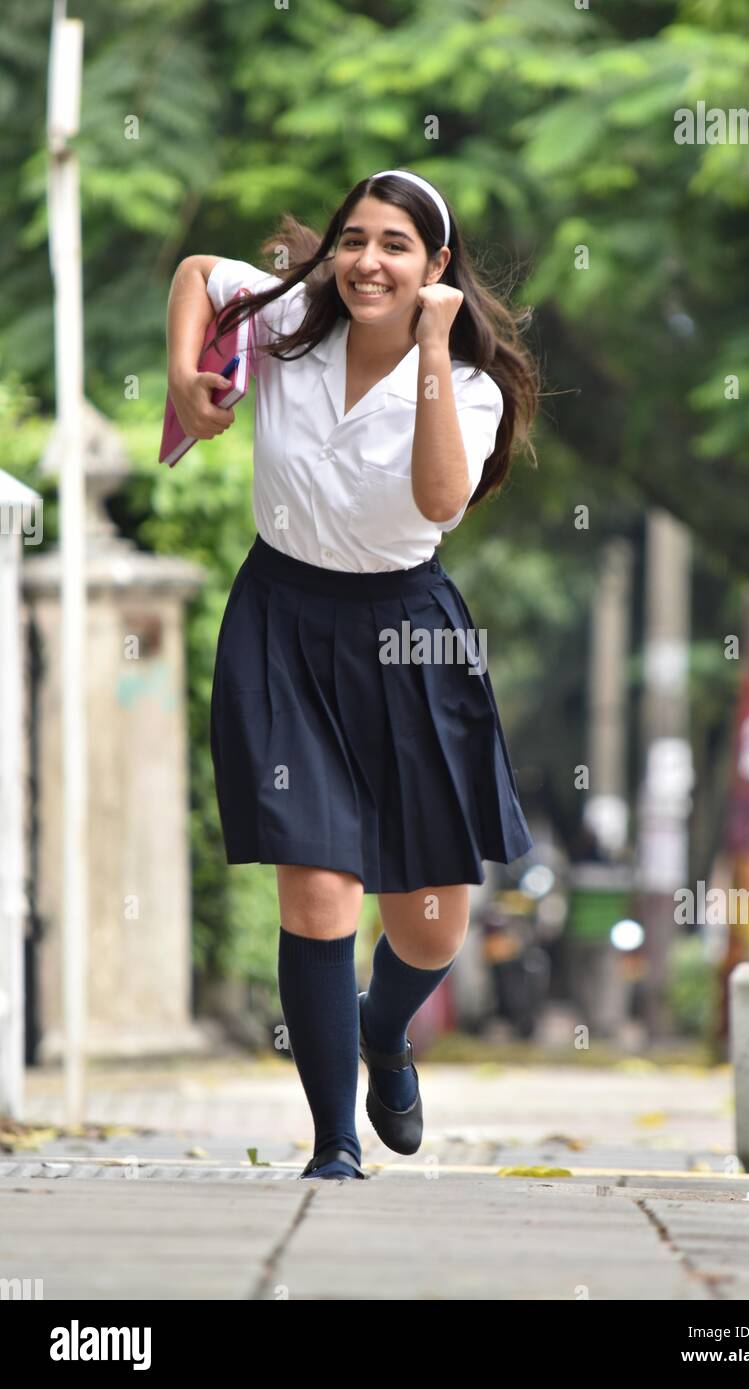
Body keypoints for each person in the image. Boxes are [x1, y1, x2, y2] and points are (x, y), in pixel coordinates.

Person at [165, 168, 539, 1180]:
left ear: (436, 267)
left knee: (429, 923)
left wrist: (424, 345)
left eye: (396, 246)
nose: (369, 262)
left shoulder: (470, 385)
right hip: (282, 617)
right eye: (354, 240)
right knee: (318, 885)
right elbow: (199, 273)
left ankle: (384, 1028)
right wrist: (178, 380)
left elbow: (434, 501)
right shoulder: (291, 317)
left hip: (408, 632)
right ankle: (334, 1142)